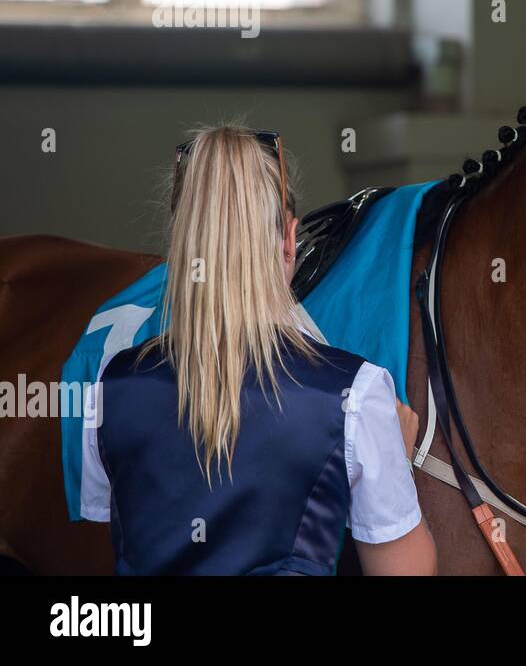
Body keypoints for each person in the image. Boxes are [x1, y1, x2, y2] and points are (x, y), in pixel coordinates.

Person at [80, 125, 437, 575]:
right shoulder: (358, 395)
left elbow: (112, 538)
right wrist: (397, 466)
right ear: (290, 241)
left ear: (183, 242)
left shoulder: (109, 385)